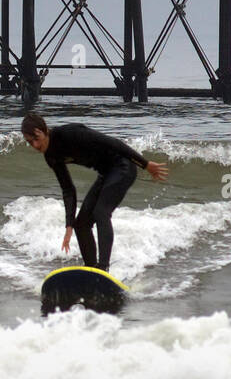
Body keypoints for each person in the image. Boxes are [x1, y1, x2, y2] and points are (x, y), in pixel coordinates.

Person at [21, 113, 169, 272]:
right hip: (105, 173)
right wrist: (69, 224)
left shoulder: (70, 134)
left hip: (122, 166)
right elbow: (68, 189)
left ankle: (103, 269)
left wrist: (145, 164)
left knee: (101, 211)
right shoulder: (51, 157)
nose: (35, 145)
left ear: (43, 130)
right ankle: (91, 270)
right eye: (30, 142)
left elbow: (113, 143)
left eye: (36, 138)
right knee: (81, 224)